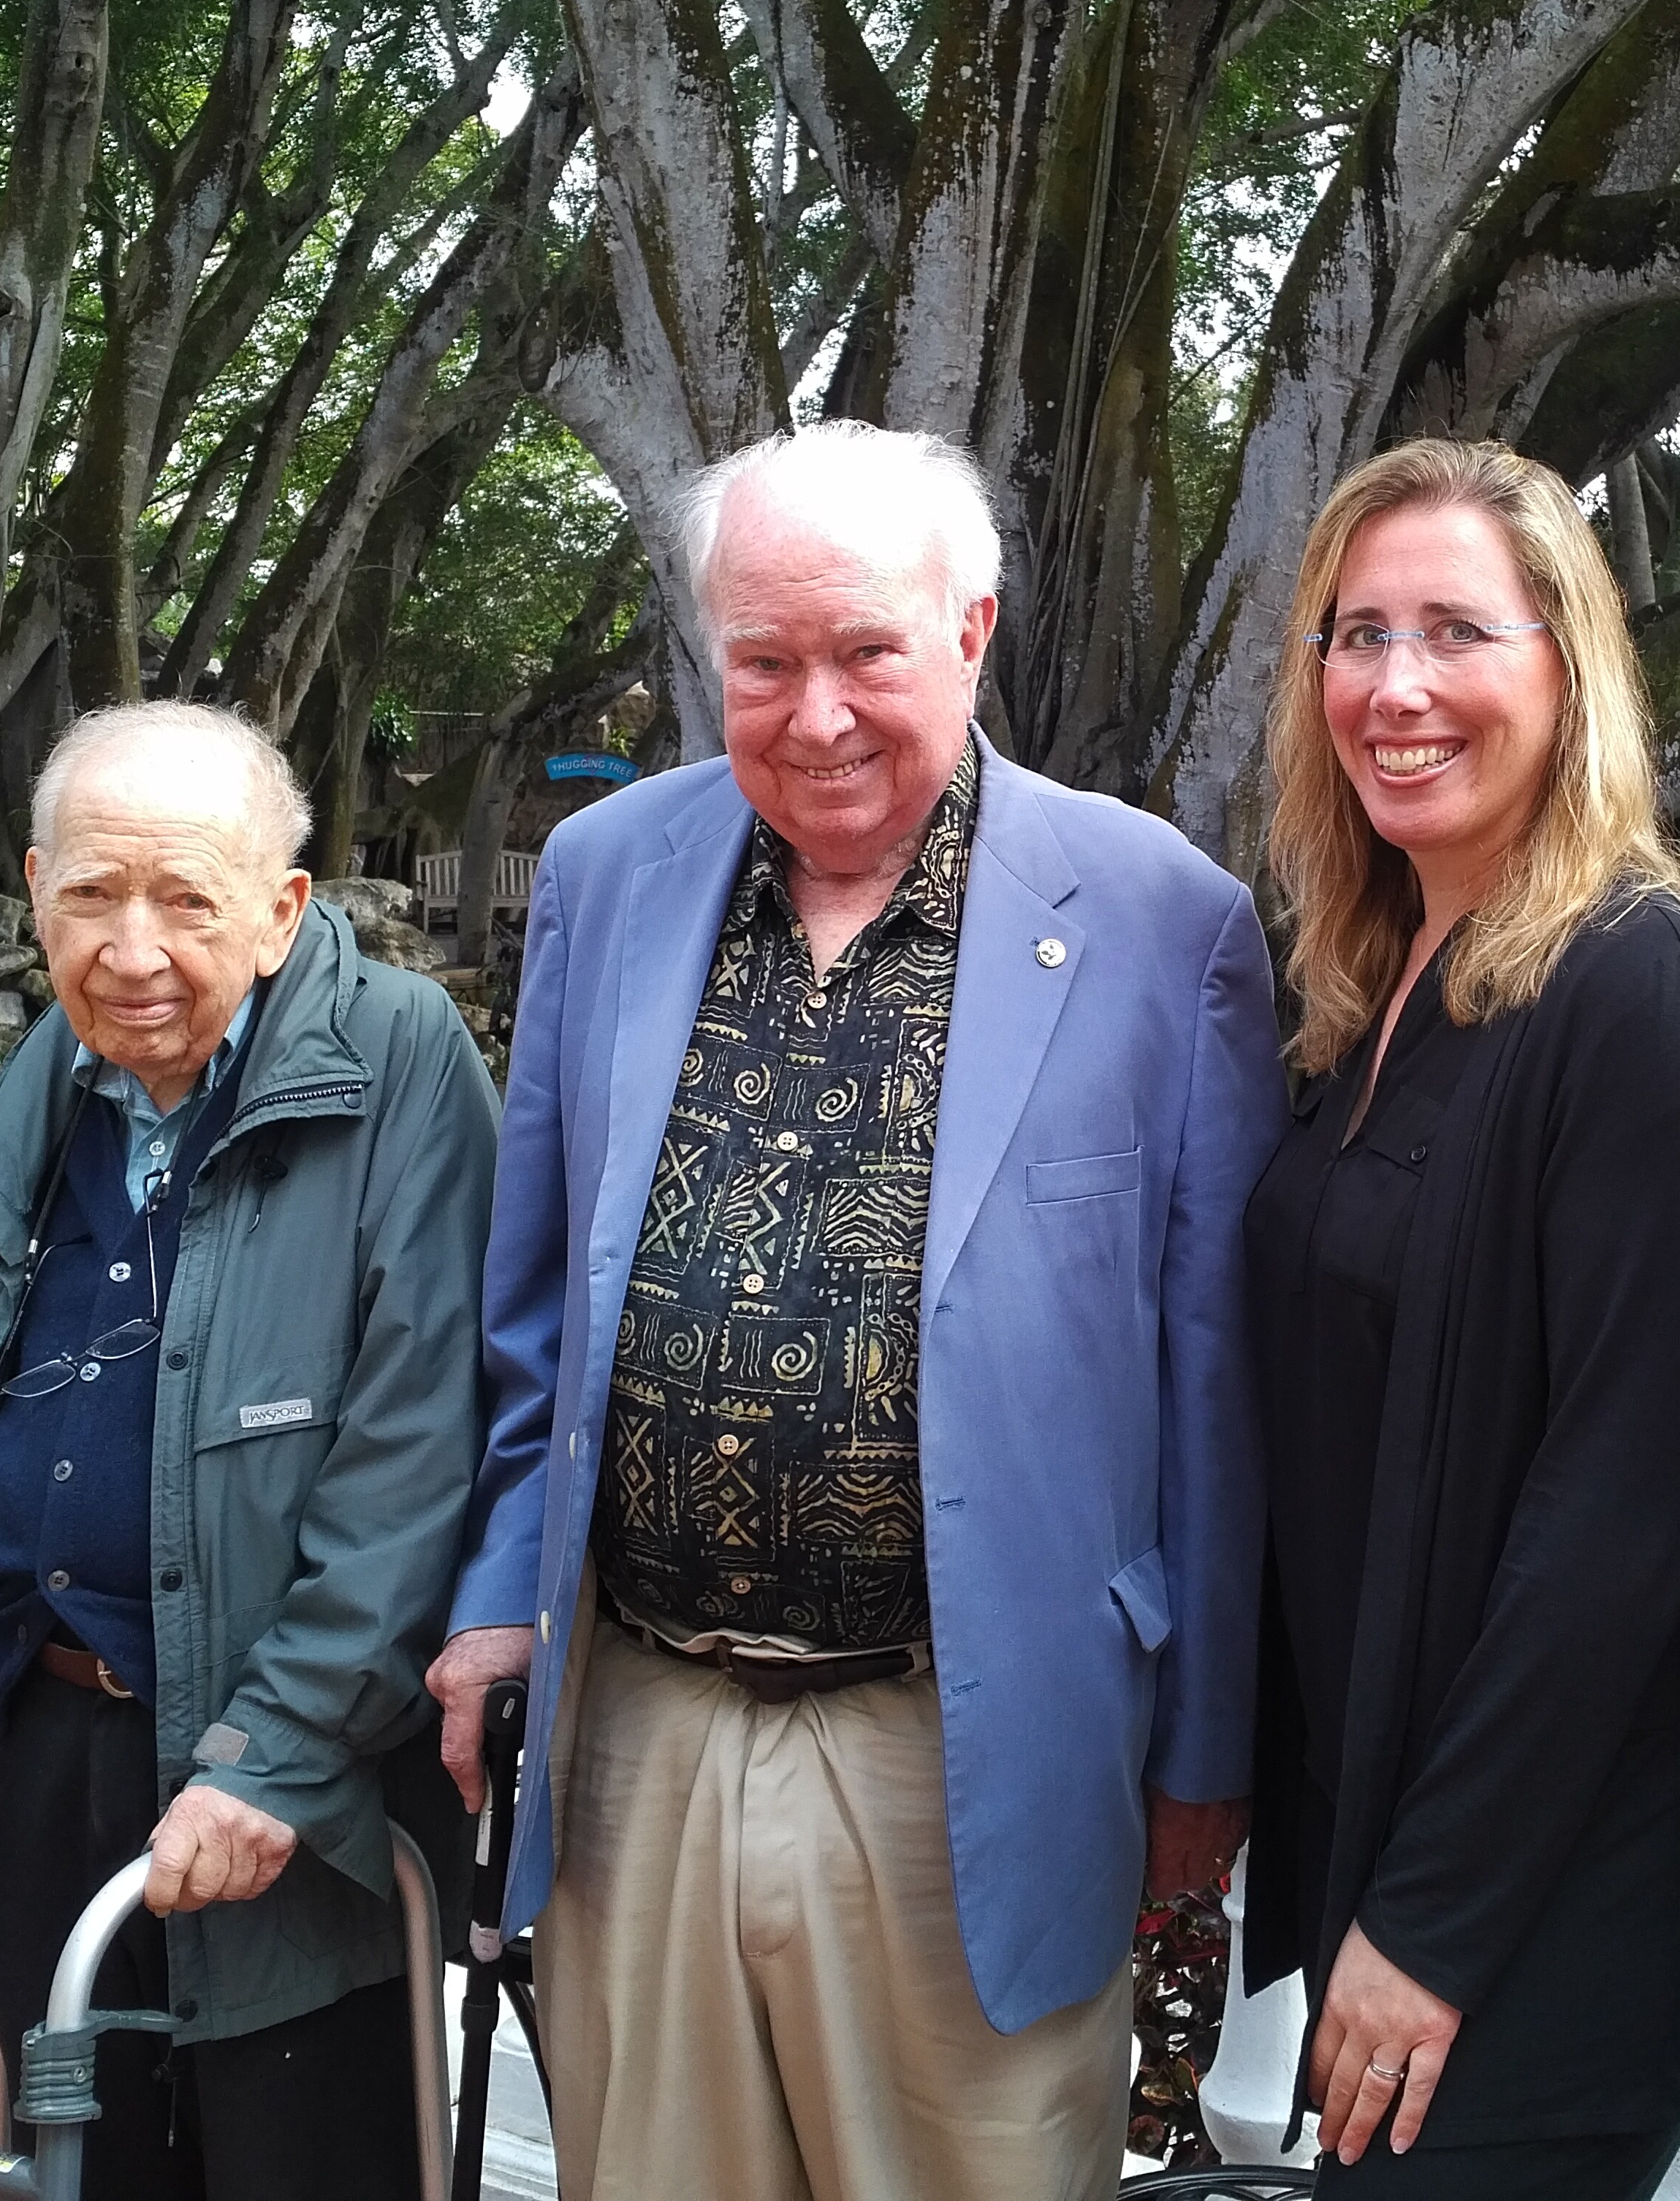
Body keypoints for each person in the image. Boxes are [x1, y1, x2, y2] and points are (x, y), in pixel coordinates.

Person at [424, 422, 1282, 2201]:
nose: (816, 714)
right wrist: (505, 1595)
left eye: (866, 653)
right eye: (764, 662)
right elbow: (533, 1322)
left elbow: (1215, 1386)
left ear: (973, 631)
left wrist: (1204, 1760)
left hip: (965, 1743)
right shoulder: (607, 878)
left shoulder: (1156, 917)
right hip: (641, 1727)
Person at [0, 702, 498, 2200]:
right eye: (89, 896)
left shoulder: (398, 1058)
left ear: (281, 912)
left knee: (299, 2159)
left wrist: (277, 1752)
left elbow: (419, 1455)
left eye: (187, 899)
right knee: (81, 2152)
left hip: (282, 1766)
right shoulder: (42, 1083)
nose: (133, 950)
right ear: (33, 891)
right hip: (40, 1732)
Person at [1242, 437, 1680, 2199]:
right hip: (1391, 1848)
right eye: (1356, 634)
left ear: (1570, 668)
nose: (1397, 687)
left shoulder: (1644, 999)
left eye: (1459, 633)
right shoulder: (1363, 984)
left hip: (1545, 1911)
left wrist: (1434, 1925)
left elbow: (1621, 1526)